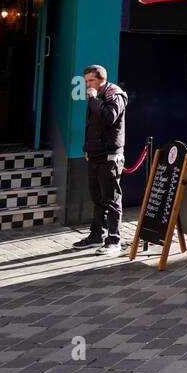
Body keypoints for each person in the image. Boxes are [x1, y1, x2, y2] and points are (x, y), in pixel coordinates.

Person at [72, 64, 128, 256]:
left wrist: (95, 99)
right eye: (86, 81)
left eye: (91, 81)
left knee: (111, 199)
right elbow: (92, 125)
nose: (88, 84)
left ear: (101, 80)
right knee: (97, 198)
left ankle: (114, 240)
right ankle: (96, 235)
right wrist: (87, 149)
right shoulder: (94, 96)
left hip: (110, 156)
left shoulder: (115, 95)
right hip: (95, 154)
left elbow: (109, 118)